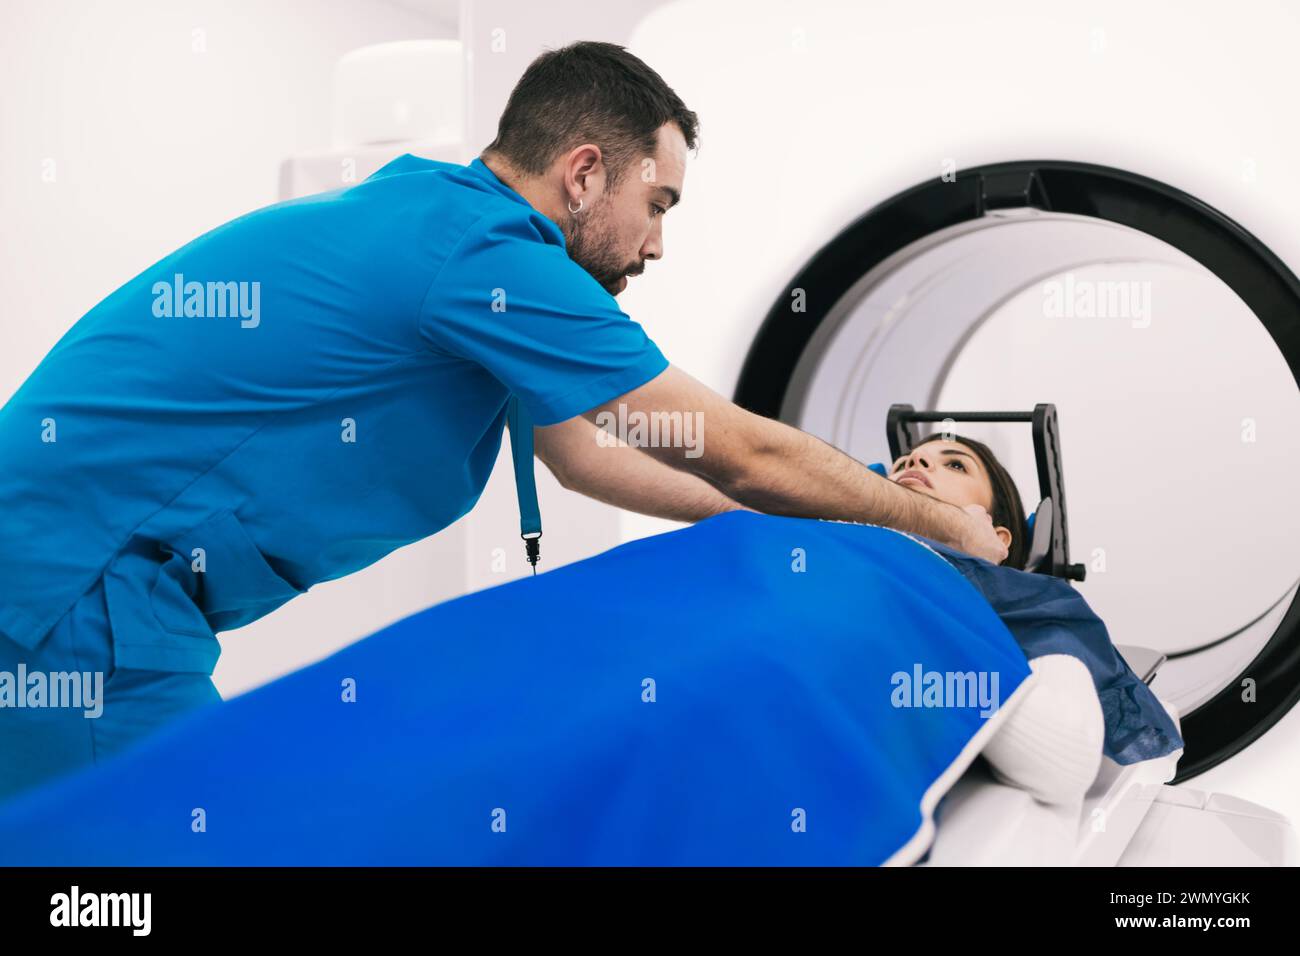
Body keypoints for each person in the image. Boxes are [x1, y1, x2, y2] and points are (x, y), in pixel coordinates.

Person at [0, 41, 1004, 800]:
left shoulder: (447, 225)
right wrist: (938, 525)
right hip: (66, 593)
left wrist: (809, 524)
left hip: (100, 589)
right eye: (657, 204)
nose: (656, 244)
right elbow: (739, 449)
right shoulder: (485, 257)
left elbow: (589, 457)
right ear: (580, 174)